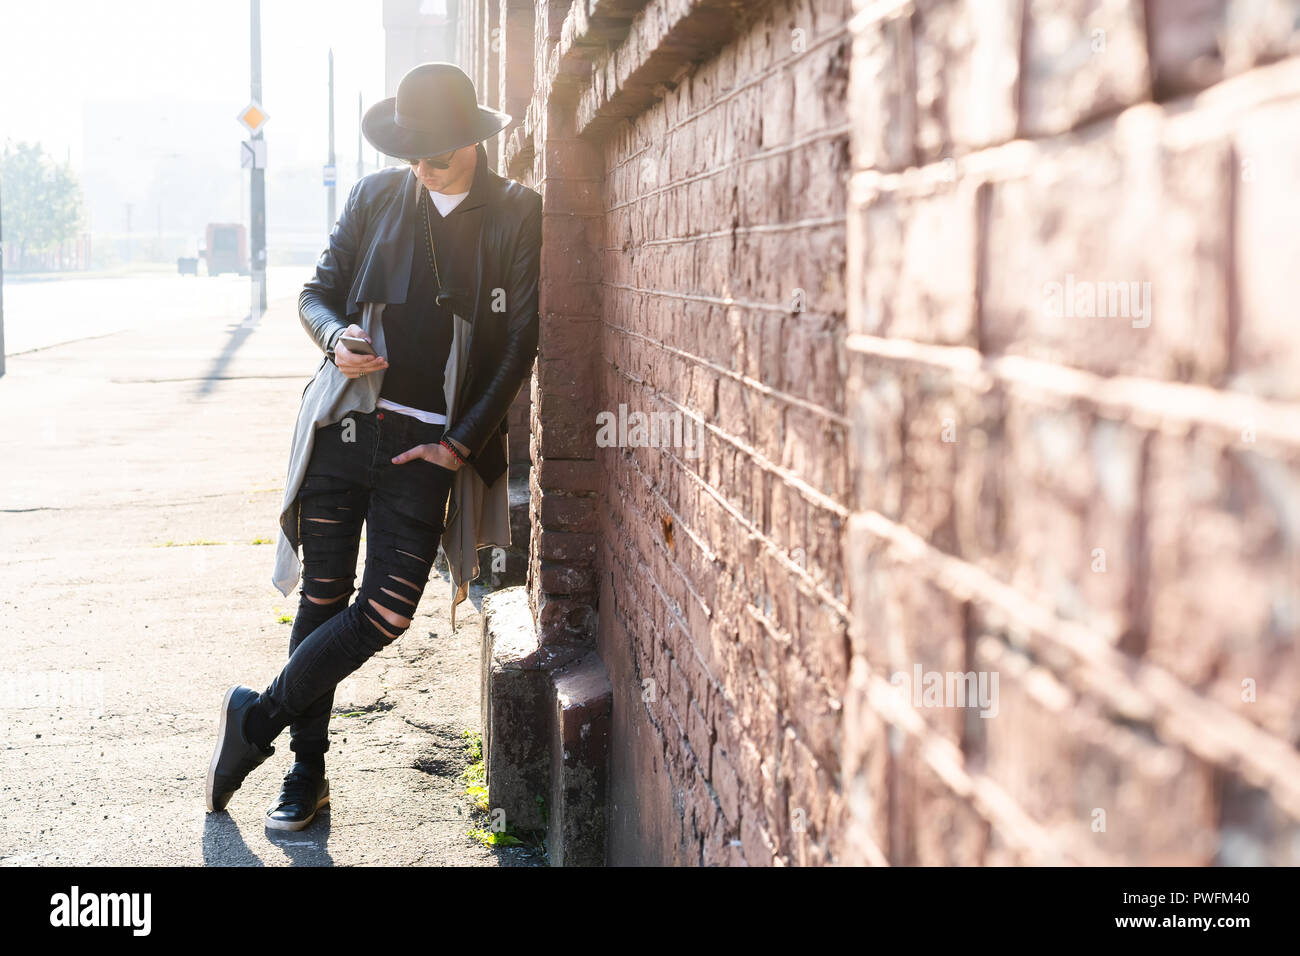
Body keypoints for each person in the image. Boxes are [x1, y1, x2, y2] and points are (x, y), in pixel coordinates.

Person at [205, 62, 542, 831]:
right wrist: (334, 336)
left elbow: (520, 338)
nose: (423, 168)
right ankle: (306, 771)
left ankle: (254, 720)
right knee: (323, 598)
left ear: (471, 140)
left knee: (387, 611)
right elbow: (315, 293)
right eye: (412, 154)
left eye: (438, 153)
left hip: (425, 447)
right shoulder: (375, 196)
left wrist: (461, 443)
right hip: (344, 429)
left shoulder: (517, 212)